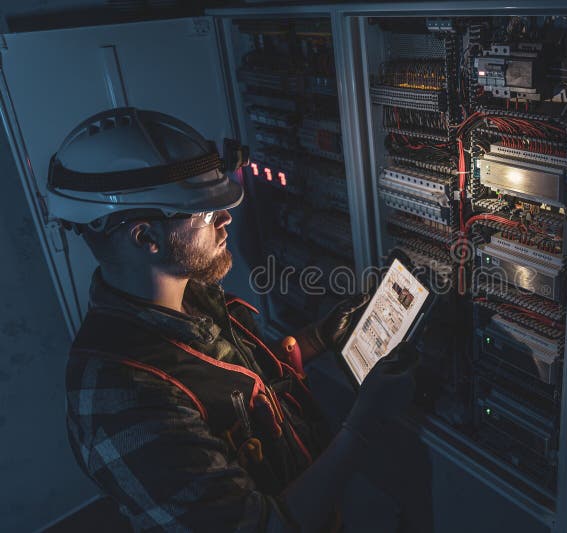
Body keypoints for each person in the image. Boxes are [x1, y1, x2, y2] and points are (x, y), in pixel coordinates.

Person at [50, 107, 417, 532]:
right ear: (146, 236)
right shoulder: (123, 400)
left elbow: (230, 394)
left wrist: (317, 339)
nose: (225, 218)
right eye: (205, 213)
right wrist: (364, 425)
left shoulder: (191, 298)